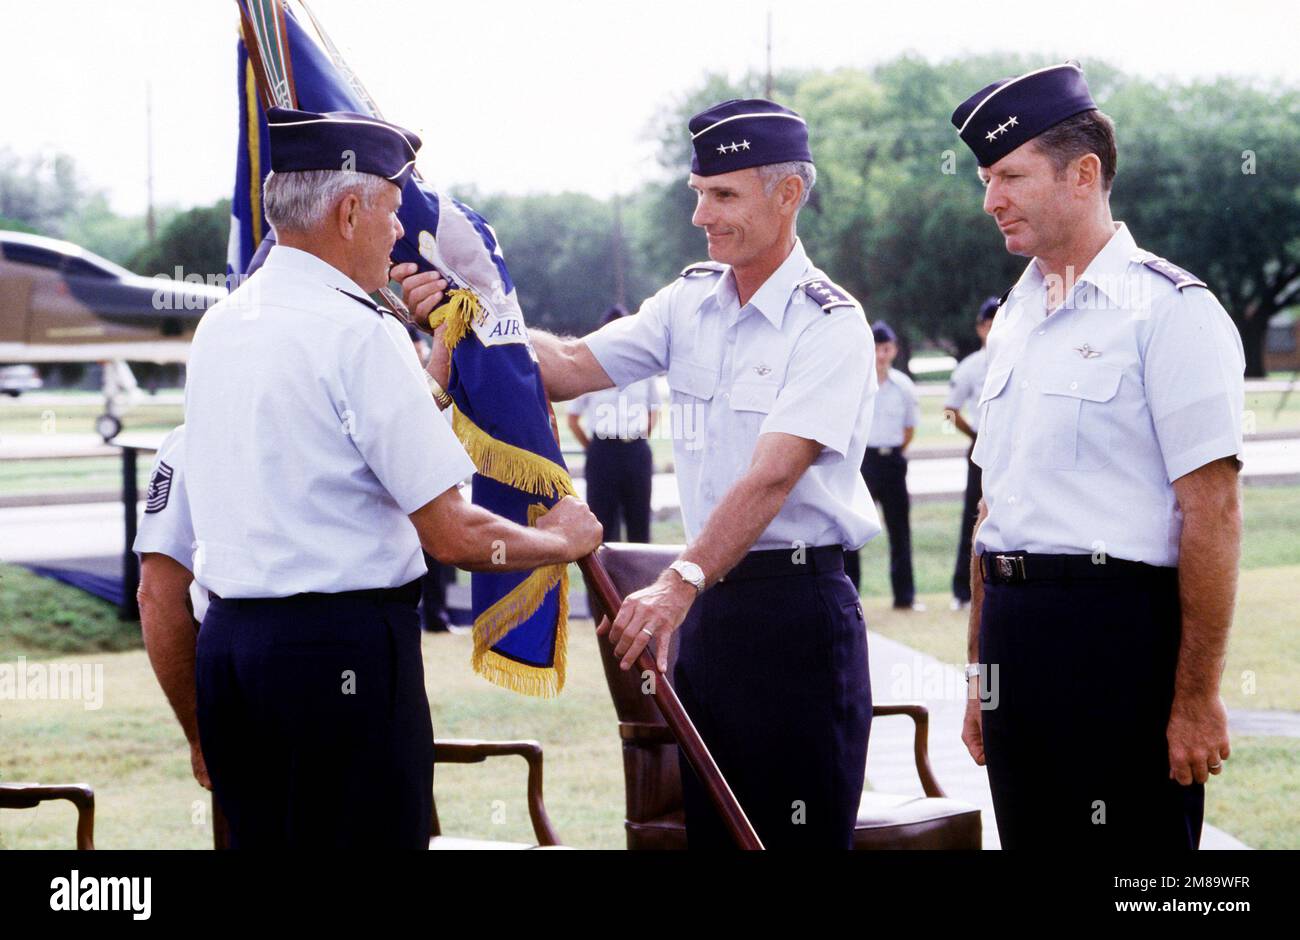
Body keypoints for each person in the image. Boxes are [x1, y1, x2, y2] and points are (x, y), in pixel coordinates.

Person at [401, 97, 881, 849]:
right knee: (718, 836)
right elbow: (564, 367)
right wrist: (476, 312)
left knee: (795, 837)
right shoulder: (687, 302)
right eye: (698, 195)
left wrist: (678, 580)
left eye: (723, 195)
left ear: (788, 194)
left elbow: (771, 476)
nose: (702, 216)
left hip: (796, 613)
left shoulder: (830, 324)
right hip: (710, 615)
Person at [183, 107, 601, 849]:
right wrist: (560, 542)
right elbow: (452, 534)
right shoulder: (358, 329)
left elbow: (327, 453)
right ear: (348, 211)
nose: (399, 229)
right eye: (391, 209)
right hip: (338, 653)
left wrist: (433, 376)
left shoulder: (225, 323)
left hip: (233, 651)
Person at [951, 63, 1244, 849]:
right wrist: (983, 679)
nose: (990, 201)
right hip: (1017, 634)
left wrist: (1195, 699)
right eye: (985, 178)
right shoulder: (1014, 314)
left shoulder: (1171, 311)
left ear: (1083, 175)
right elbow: (994, 514)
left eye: (1009, 176)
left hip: (1117, 644)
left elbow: (1211, 512)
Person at [566, 304, 661, 543]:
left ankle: (640, 581)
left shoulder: (644, 369)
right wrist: (593, 447)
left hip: (636, 451)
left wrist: (638, 437)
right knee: (602, 527)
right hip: (603, 452)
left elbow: (654, 410)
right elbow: (573, 418)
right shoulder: (588, 369)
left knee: (639, 523)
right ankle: (606, 581)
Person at [845, 321, 922, 610]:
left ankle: (905, 597)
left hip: (893, 460)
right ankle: (851, 596)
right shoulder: (858, 383)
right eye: (876, 348)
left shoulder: (903, 386)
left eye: (886, 348)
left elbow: (909, 428)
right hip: (864, 461)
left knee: (899, 528)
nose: (880, 354)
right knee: (853, 530)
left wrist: (895, 452)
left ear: (894, 350)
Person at [943, 297, 999, 610]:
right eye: (988, 324)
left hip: (1012, 447)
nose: (993, 330)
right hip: (982, 446)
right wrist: (975, 435)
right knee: (972, 516)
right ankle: (962, 592)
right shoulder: (970, 366)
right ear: (980, 328)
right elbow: (950, 410)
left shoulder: (1018, 356)